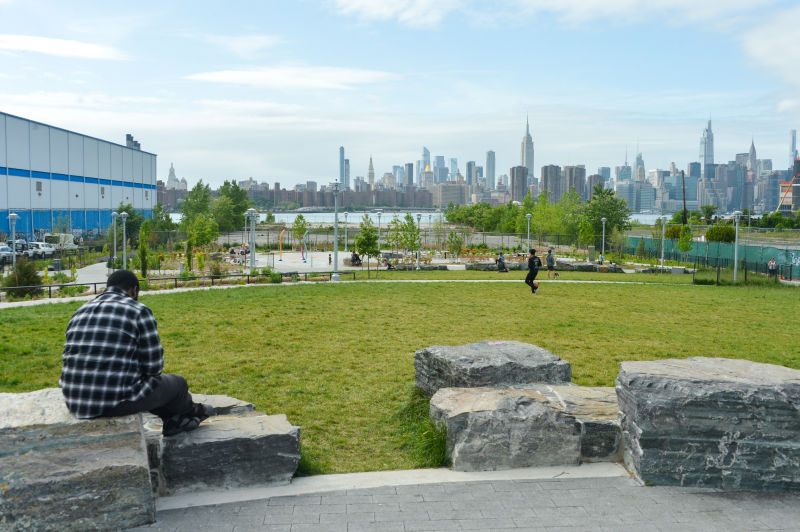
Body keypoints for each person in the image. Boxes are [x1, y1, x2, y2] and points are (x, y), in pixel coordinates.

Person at [60, 270, 213, 436]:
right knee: (178, 384)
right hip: (113, 403)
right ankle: (192, 411)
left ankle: (175, 420)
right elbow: (154, 368)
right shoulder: (138, 311)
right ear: (133, 290)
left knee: (147, 387)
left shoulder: (79, 311)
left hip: (75, 401)